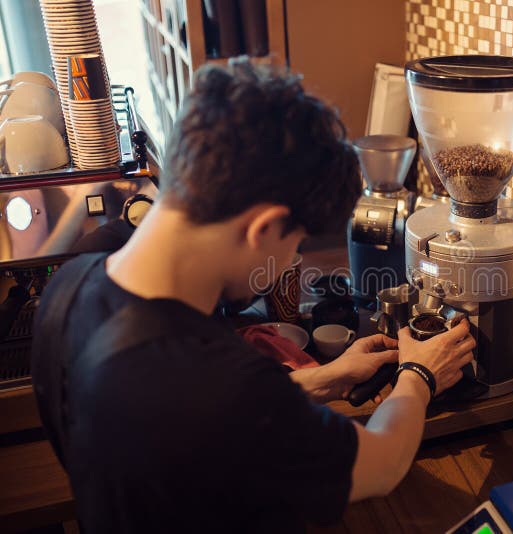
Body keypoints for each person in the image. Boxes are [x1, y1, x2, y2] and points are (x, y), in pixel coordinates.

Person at [30, 59, 475, 532]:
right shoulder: (219, 388)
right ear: (262, 229)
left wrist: (327, 377)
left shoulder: (69, 285)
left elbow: (197, 425)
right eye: (294, 244)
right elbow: (382, 465)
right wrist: (419, 376)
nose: (286, 263)